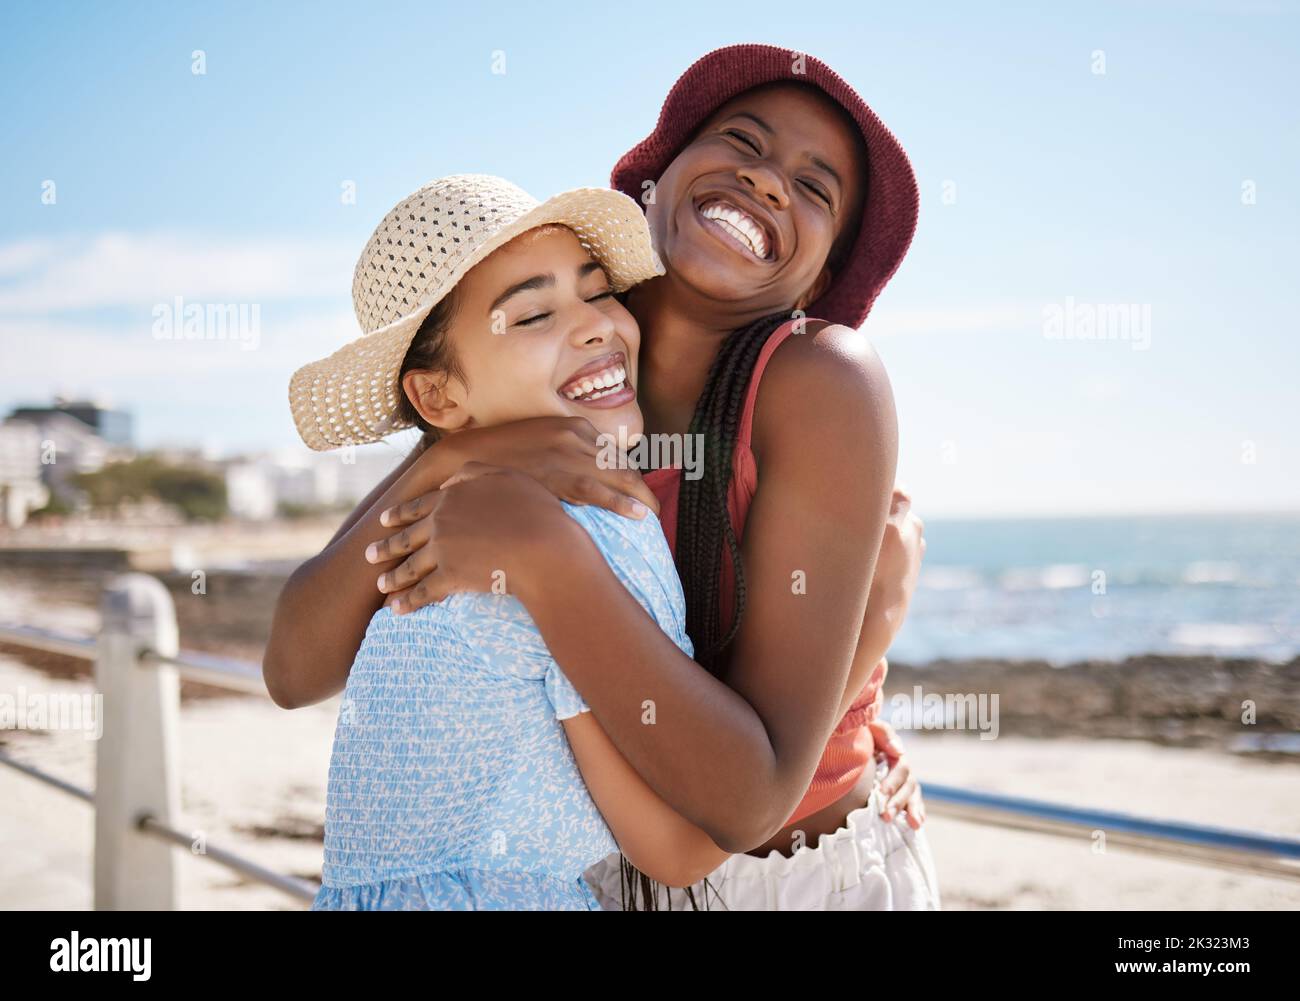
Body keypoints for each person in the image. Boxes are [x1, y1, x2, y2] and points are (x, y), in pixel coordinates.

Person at [268, 44, 938, 910]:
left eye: (815, 188)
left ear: (821, 277)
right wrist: (455, 456)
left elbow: (748, 797)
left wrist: (547, 559)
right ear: (652, 182)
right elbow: (294, 666)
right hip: (602, 873)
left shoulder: (820, 378)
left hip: (790, 874)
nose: (772, 182)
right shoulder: (556, 363)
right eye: (743, 139)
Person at [304, 174, 742, 909]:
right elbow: (678, 846)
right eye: (534, 314)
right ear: (439, 398)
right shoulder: (596, 524)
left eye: (600, 293)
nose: (598, 324)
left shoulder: (427, 521)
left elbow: (293, 662)